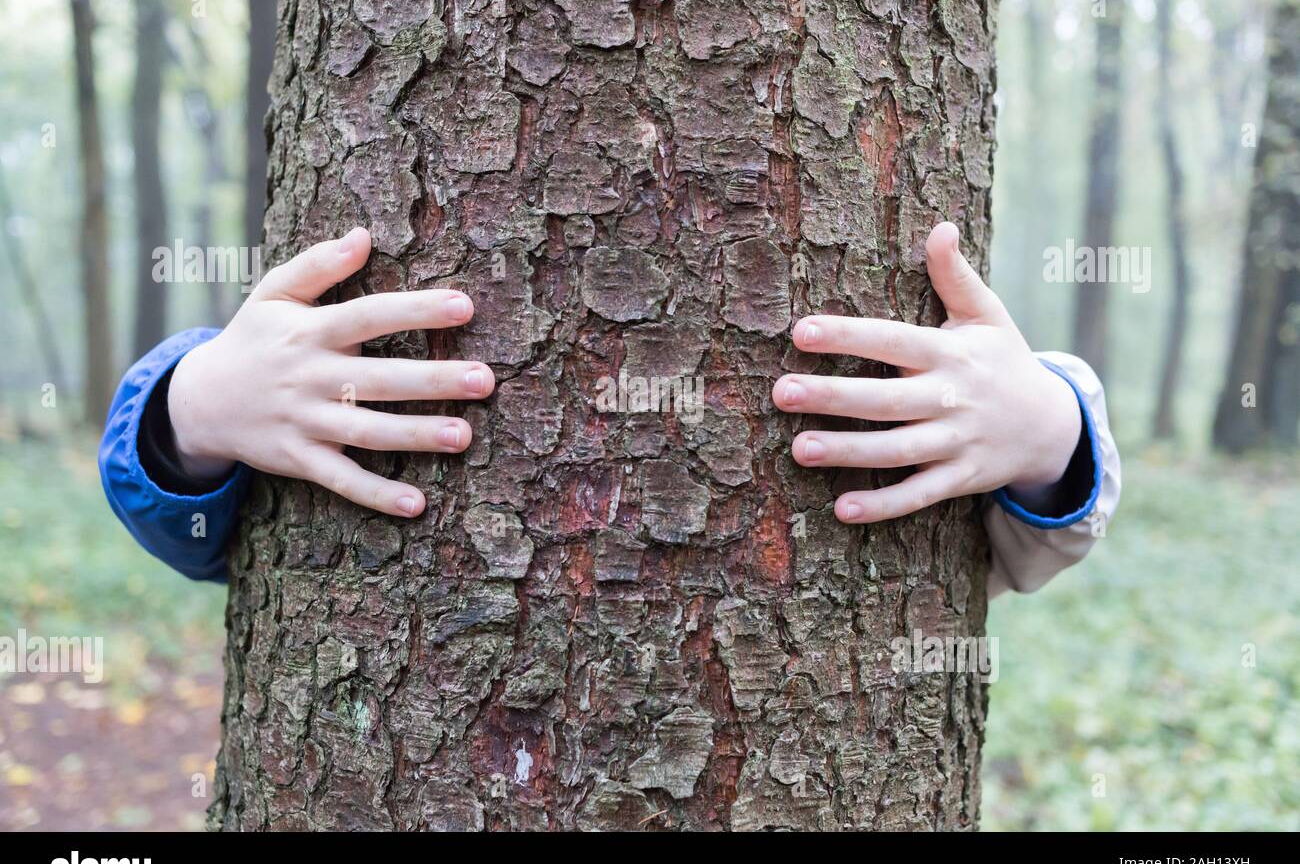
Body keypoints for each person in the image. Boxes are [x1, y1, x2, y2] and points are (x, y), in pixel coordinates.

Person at [99, 222, 1120, 597]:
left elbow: (1016, 550)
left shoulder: (976, 403)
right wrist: (190, 409)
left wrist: (1050, 429)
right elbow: (204, 540)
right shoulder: (282, 391)